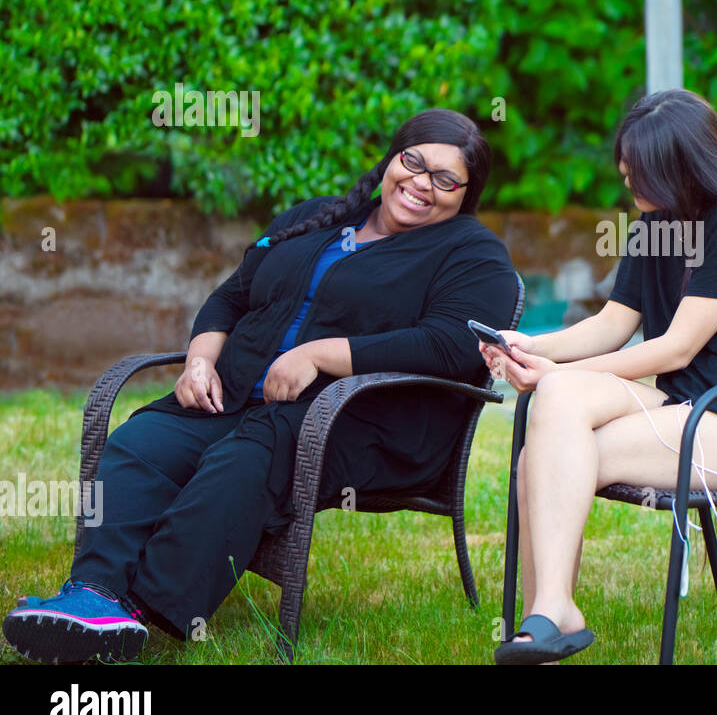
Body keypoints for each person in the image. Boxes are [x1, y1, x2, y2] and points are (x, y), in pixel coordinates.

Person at [3, 109, 519, 663]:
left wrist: (320, 355)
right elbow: (232, 295)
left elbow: (450, 344)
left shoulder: (471, 253)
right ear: (392, 158)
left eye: (445, 180)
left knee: (248, 457)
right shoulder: (318, 217)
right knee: (143, 440)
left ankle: (134, 609)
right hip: (238, 393)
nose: (421, 184)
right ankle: (93, 593)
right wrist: (200, 360)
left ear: (465, 195)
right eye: (413, 162)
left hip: (362, 419)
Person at [484, 88, 717, 664]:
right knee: (554, 408)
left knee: (546, 445)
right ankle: (547, 618)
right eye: (627, 174)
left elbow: (674, 348)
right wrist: (532, 346)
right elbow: (611, 325)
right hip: (685, 408)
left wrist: (555, 369)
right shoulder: (656, 224)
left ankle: (547, 619)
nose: (631, 189)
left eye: (641, 177)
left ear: (686, 169)